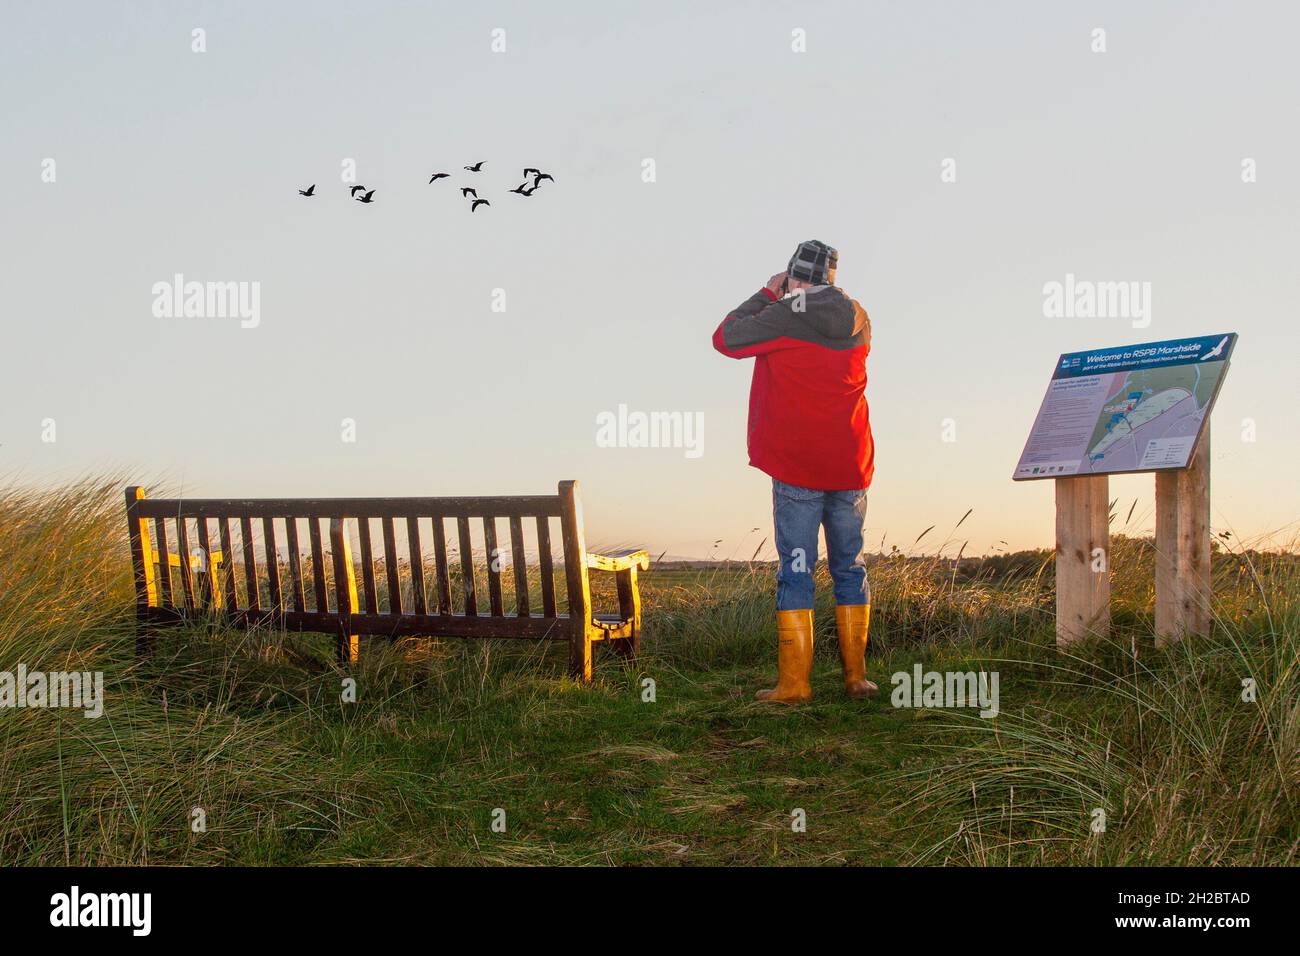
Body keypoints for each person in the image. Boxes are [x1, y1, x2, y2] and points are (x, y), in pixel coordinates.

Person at [711, 240, 877, 703]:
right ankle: (855, 679)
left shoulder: (785, 314)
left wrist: (768, 293)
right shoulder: (861, 318)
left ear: (794, 277)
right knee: (850, 565)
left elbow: (725, 338)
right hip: (850, 464)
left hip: (800, 463)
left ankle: (794, 684)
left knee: (796, 570)